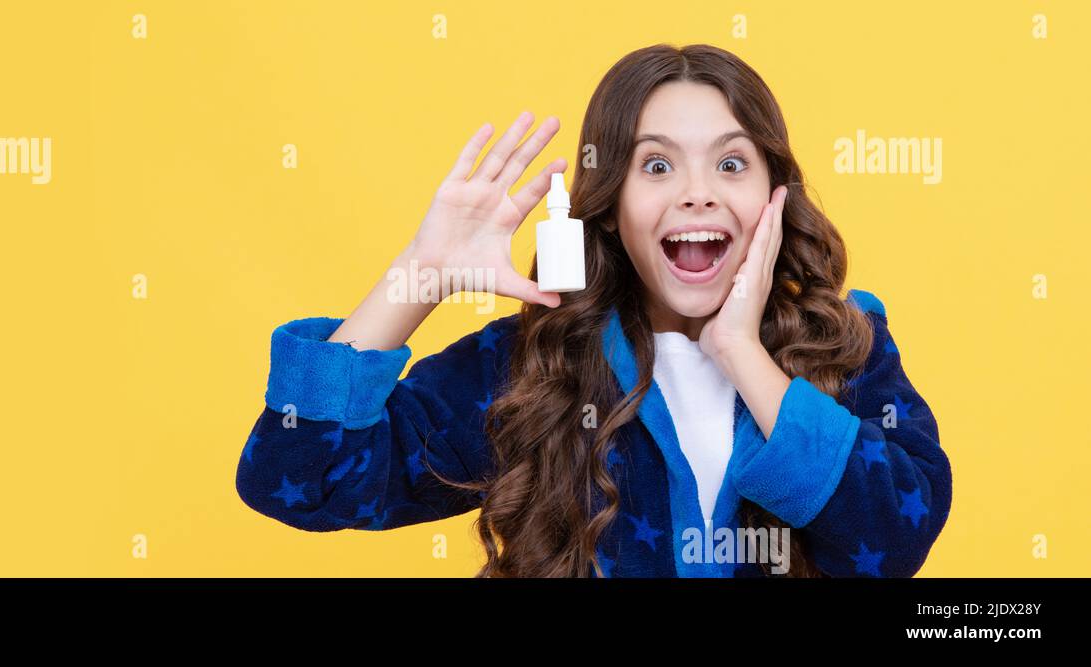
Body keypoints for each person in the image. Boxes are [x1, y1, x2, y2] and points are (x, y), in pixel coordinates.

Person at [235, 43, 951, 577]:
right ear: (610, 209)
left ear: (774, 197)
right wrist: (419, 276)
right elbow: (297, 477)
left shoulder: (847, 345)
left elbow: (892, 538)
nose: (697, 192)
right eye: (657, 165)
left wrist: (742, 352)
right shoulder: (534, 365)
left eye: (730, 164)